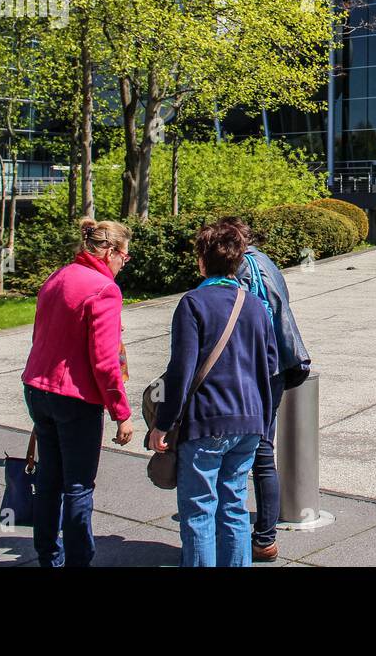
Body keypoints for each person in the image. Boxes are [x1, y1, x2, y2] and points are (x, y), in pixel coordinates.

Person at [149, 219, 278, 567]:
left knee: (199, 513)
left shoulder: (193, 303)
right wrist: (266, 423)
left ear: (202, 259)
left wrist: (163, 423)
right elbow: (268, 366)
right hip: (249, 420)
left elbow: (181, 370)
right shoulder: (254, 305)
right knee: (234, 508)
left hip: (206, 421)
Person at [21, 218, 135, 568]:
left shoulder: (58, 276)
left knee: (49, 479)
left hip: (38, 388)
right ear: (111, 251)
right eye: (125, 257)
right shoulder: (104, 289)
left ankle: (48, 557)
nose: (124, 265)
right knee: (78, 486)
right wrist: (122, 413)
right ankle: (78, 561)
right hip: (75, 397)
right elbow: (104, 362)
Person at [224, 217, 311, 563]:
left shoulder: (241, 267)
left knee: (250, 453)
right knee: (264, 451)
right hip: (276, 365)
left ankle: (246, 535)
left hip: (250, 366)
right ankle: (266, 538)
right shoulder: (266, 262)